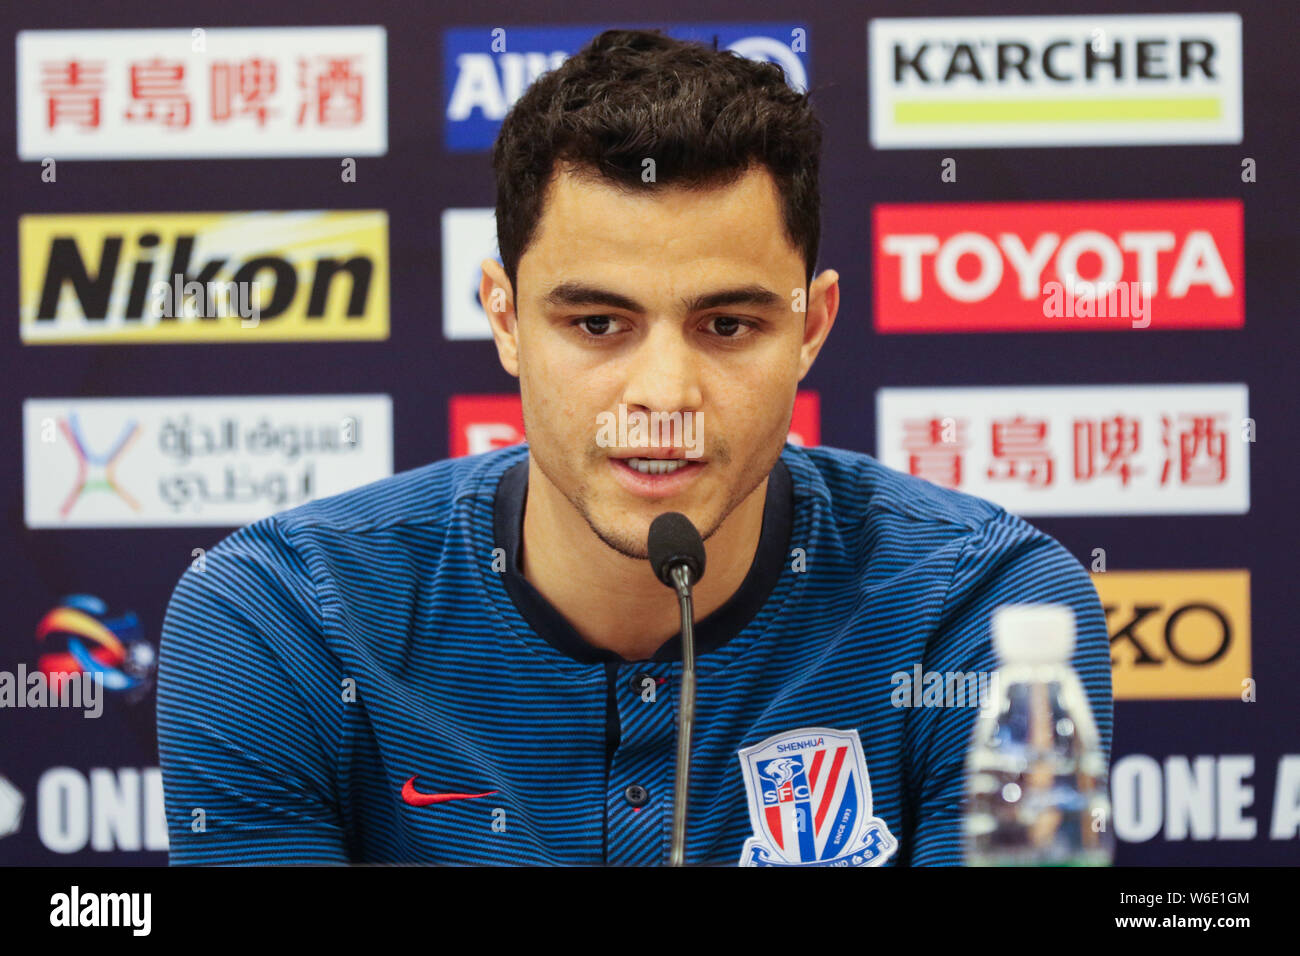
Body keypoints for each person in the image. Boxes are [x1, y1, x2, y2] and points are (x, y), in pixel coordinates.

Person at [157, 28, 1112, 866]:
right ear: (506, 318)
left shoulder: (985, 611)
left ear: (811, 326)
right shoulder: (280, 620)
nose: (663, 397)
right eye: (599, 324)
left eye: (728, 326)